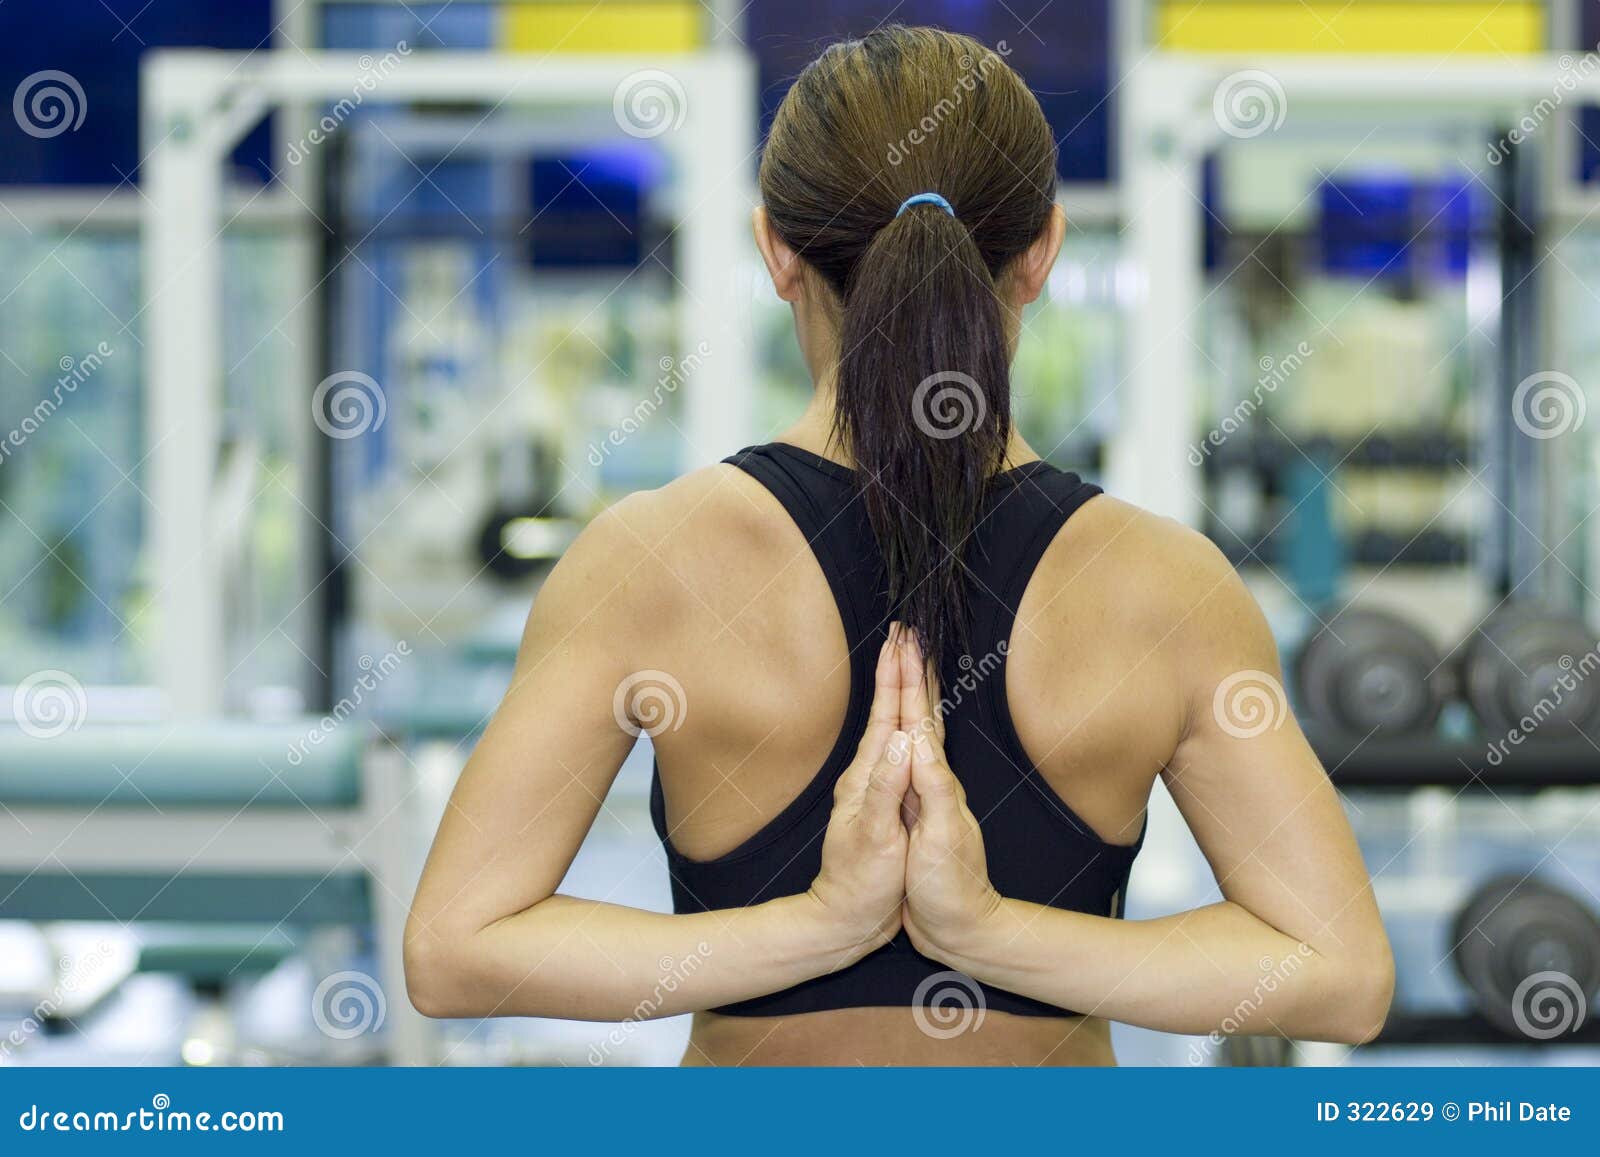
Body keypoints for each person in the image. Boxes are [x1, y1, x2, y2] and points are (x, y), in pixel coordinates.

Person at [404, 24, 1393, 1066]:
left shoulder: (649, 559)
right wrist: (989, 931)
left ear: (777, 250)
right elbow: (1337, 971)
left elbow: (458, 947)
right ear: (1043, 251)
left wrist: (820, 926)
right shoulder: (1161, 584)